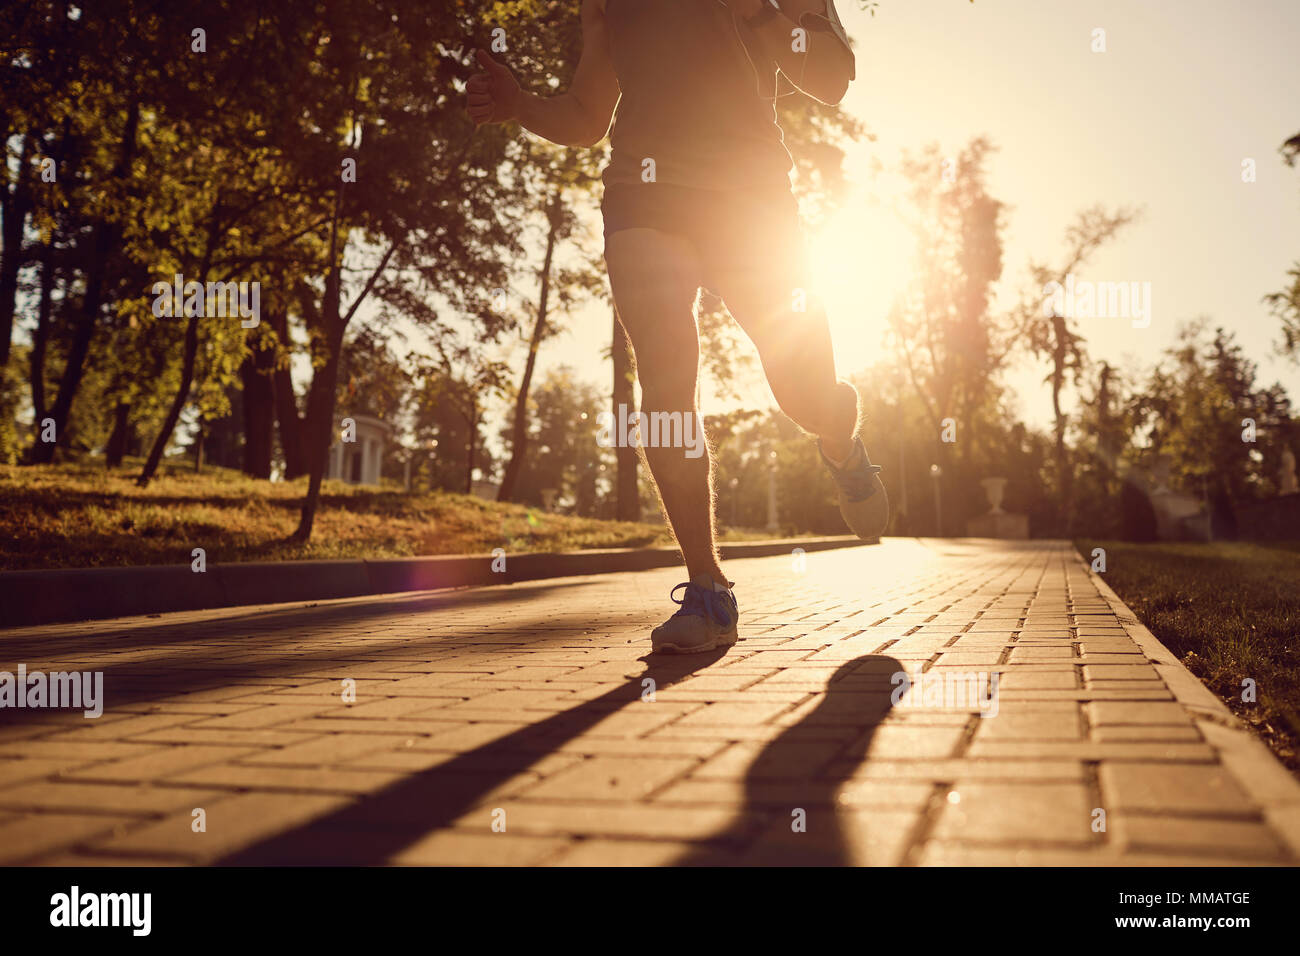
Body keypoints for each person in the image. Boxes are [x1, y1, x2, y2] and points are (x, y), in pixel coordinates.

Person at [465, 0, 887, 653]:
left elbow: (831, 76)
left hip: (752, 199)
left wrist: (760, 13)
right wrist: (520, 105)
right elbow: (586, 114)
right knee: (664, 384)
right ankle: (708, 588)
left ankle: (839, 441)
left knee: (804, 394)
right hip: (644, 189)